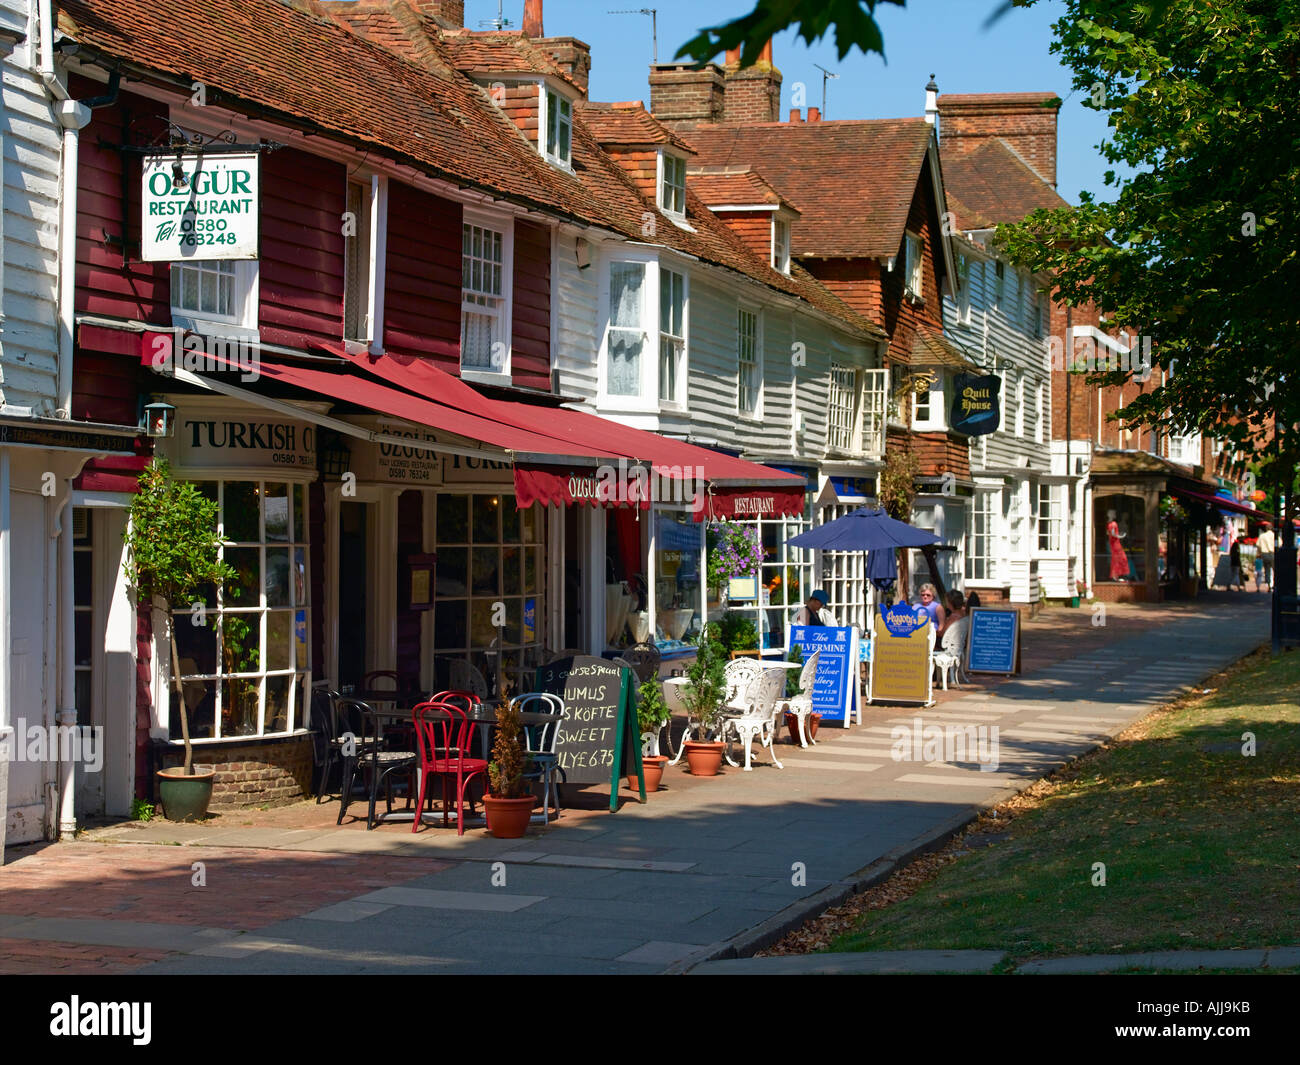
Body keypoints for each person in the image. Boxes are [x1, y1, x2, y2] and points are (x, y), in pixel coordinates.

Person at [1106, 509, 1131, 581]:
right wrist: (1121, 536)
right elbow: (1113, 534)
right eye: (1114, 513)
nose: (1115, 514)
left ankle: (1116, 576)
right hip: (1116, 543)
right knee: (1121, 558)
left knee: (1116, 559)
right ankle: (1118, 575)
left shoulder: (1109, 523)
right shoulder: (1114, 523)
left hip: (1113, 543)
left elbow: (1108, 533)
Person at [1258, 522, 1275, 591]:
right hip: (1273, 554)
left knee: (1267, 570)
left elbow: (1258, 546)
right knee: (1275, 570)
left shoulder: (1262, 536)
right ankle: (1274, 584)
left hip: (1265, 554)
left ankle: (1268, 585)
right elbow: (1280, 544)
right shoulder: (1275, 536)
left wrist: (1259, 553)